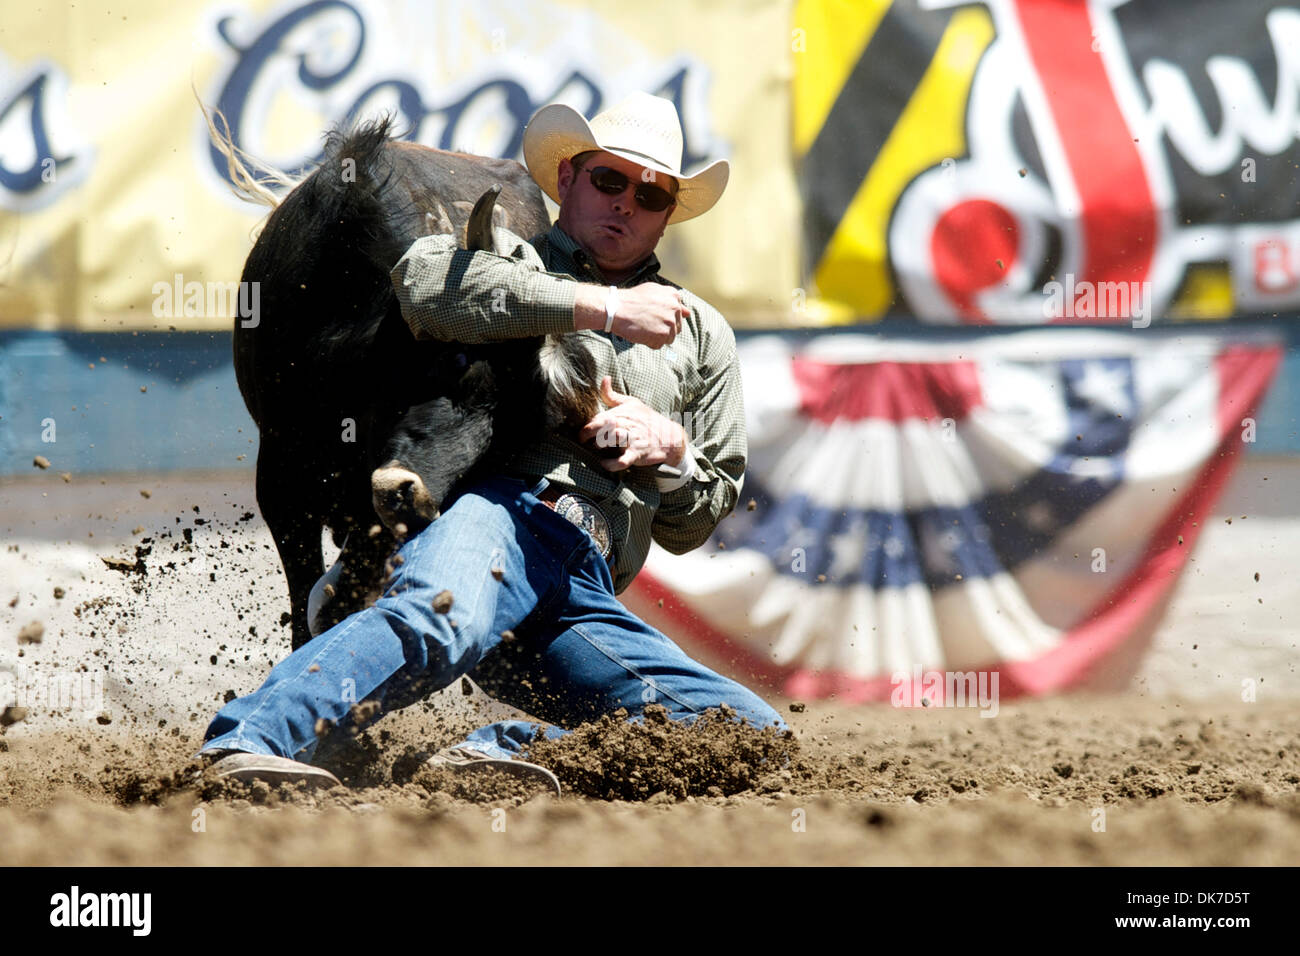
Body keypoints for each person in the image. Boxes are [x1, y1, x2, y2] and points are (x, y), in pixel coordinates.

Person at [199, 92, 786, 793]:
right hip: (499, 523)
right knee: (435, 622)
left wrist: (672, 456)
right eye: (609, 180)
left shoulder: (702, 333)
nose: (627, 203)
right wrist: (607, 307)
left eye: (652, 192)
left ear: (668, 212)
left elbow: (693, 526)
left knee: (751, 735)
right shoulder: (512, 257)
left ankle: (497, 751)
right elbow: (423, 291)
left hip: (584, 585)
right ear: (567, 179)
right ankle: (247, 739)